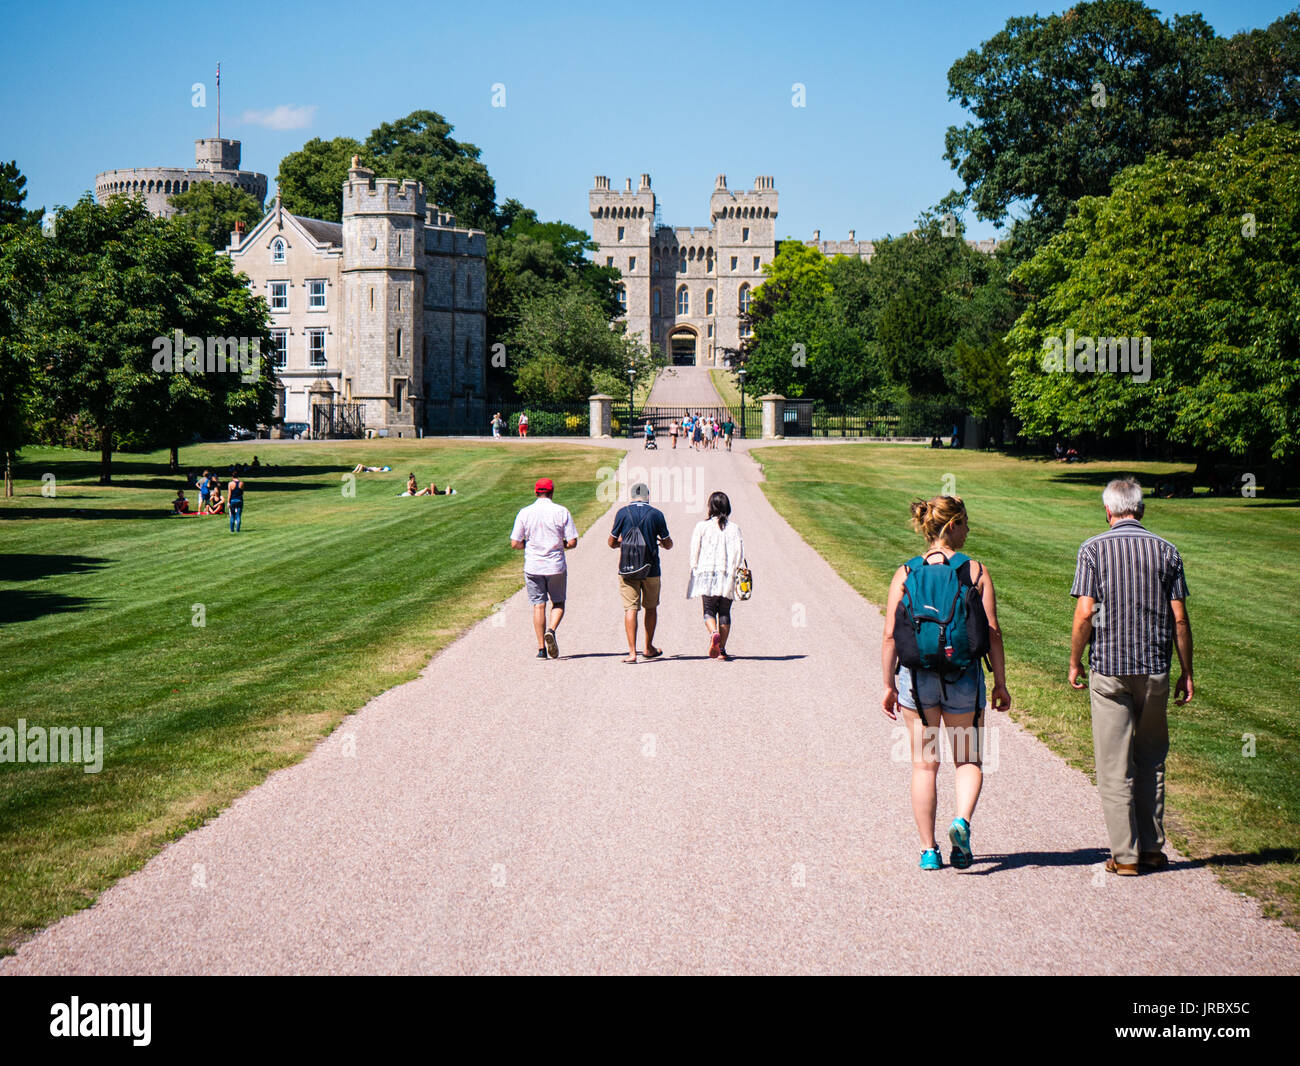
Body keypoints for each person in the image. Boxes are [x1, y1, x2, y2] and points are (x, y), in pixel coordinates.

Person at [1069, 477, 1193, 876]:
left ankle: (1125, 855)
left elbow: (1086, 612)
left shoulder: (1093, 550)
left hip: (1109, 668)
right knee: (1152, 758)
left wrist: (1075, 660)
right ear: (1140, 509)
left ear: (1108, 510)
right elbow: (1179, 618)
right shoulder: (1167, 551)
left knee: (1114, 763)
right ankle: (1154, 848)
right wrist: (1187, 671)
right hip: (1155, 667)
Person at [881, 495, 1011, 871]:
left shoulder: (906, 572)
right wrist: (1000, 682)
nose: (969, 530)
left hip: (917, 680)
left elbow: (891, 634)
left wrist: (888, 685)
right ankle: (961, 823)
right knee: (967, 759)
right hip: (964, 676)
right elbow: (992, 631)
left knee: (924, 765)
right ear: (951, 526)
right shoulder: (975, 571)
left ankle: (928, 851)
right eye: (966, 523)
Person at [510, 477, 578, 659]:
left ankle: (541, 649)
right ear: (552, 492)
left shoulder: (525, 513)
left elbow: (515, 543)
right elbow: (572, 541)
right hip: (555, 565)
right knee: (558, 602)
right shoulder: (561, 511)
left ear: (535, 492)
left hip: (533, 566)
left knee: (538, 605)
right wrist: (561, 544)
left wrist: (530, 545)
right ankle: (552, 630)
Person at [608, 482, 673, 664]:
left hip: (627, 567)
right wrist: (661, 542)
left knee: (631, 609)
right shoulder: (656, 514)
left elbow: (611, 542)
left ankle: (631, 652)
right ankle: (648, 647)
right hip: (651, 567)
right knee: (650, 608)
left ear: (632, 496)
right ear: (648, 496)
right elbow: (668, 544)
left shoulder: (622, 513)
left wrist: (622, 542)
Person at [687, 491, 745, 660]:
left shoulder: (702, 527)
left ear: (710, 507)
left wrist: (694, 568)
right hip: (728, 574)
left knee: (709, 609)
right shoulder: (735, 529)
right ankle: (721, 650)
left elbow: (694, 549)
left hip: (707, 574)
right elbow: (740, 553)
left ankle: (713, 633)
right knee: (725, 611)